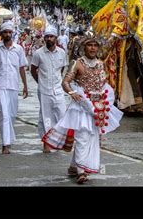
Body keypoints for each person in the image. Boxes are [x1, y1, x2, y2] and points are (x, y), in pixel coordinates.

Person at [42, 31, 123, 184]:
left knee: (92, 137)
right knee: (82, 138)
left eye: (95, 45)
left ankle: (74, 167)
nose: (92, 48)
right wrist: (73, 93)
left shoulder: (100, 64)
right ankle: (81, 171)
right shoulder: (77, 63)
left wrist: (105, 101)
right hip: (80, 106)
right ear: (83, 47)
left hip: (97, 106)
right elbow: (65, 82)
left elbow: (103, 84)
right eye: (89, 45)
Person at [0, 21, 28, 154]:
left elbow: (22, 68)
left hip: (14, 85)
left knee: (11, 115)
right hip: (1, 85)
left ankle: (9, 140)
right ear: (1, 34)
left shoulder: (18, 49)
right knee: (4, 115)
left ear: (12, 33)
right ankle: (5, 144)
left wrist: (25, 86)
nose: (7, 34)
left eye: (9, 32)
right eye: (5, 32)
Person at [30, 26, 67, 153]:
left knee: (62, 114)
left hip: (58, 90)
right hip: (44, 90)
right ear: (44, 38)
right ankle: (47, 143)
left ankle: (58, 140)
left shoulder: (62, 53)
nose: (49, 39)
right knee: (46, 117)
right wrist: (40, 82)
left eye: (51, 36)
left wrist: (58, 81)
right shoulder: (38, 53)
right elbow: (33, 70)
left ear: (56, 38)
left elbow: (61, 69)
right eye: (47, 36)